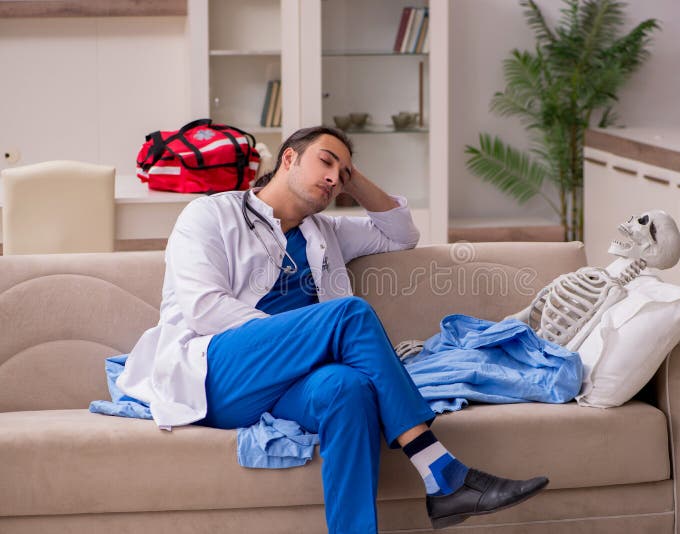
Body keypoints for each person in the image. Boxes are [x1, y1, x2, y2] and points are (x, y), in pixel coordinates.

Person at [116, 126, 549, 532]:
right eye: (325, 162)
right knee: (346, 314)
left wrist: (351, 177)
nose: (333, 178)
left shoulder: (327, 232)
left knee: (348, 389)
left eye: (341, 174)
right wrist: (306, 338)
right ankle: (442, 471)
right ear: (288, 158)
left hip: (290, 384)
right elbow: (203, 307)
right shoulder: (212, 214)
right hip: (218, 371)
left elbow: (401, 233)